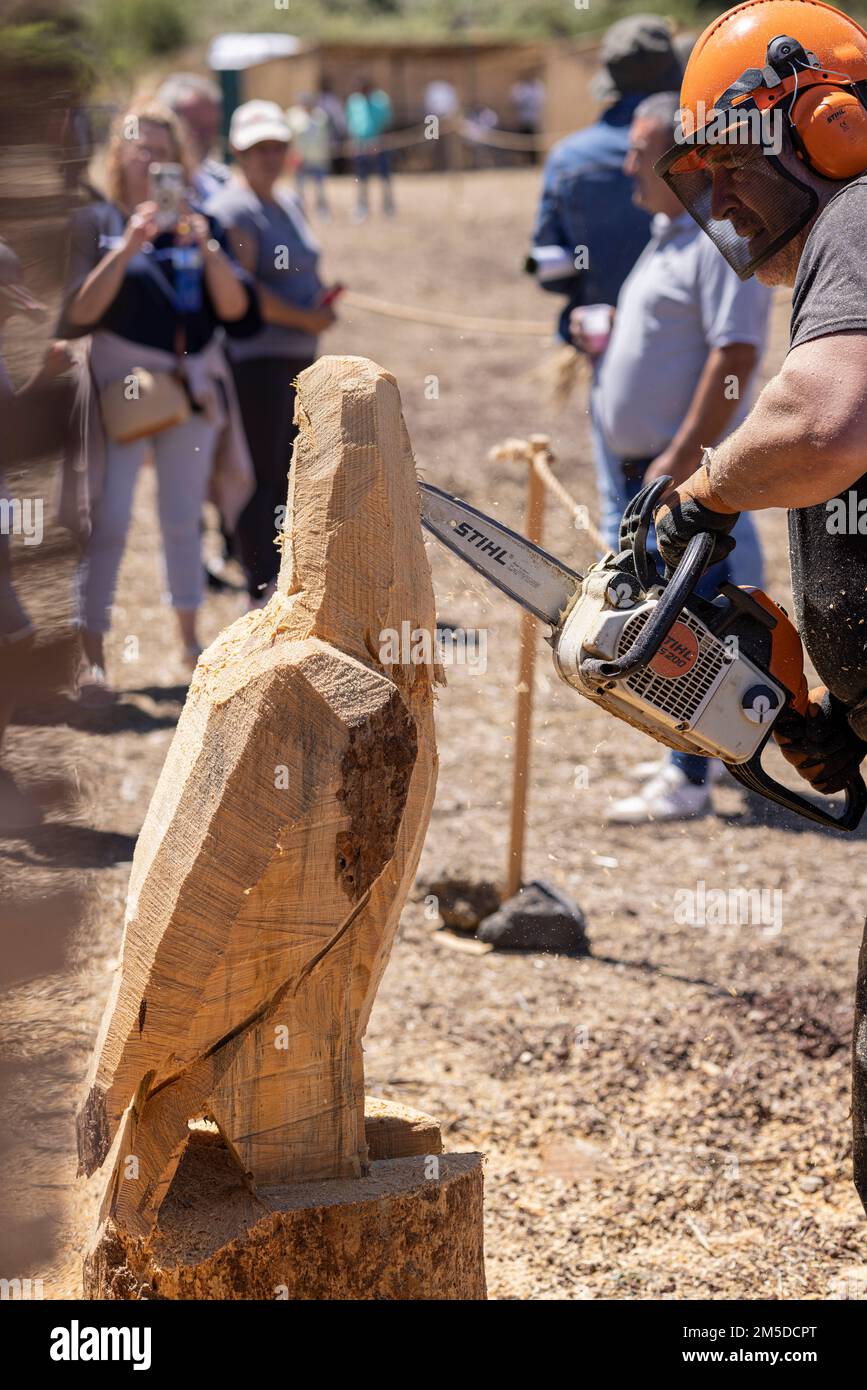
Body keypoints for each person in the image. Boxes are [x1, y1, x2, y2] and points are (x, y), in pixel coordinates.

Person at [644, 0, 867, 1211]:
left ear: (825, 124)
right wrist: (837, 710)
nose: (724, 202)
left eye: (735, 167)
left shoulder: (865, 215)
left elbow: (830, 421)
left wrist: (701, 497)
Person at [577, 91, 771, 824]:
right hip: (649, 465)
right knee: (662, 614)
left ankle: (689, 775)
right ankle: (681, 751)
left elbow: (735, 355)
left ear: (678, 163)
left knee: (684, 621)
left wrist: (681, 460)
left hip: (678, 470)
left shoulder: (718, 242)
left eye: (638, 150)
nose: (626, 162)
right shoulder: (670, 234)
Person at [58, 102, 259, 706]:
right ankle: (91, 658)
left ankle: (191, 645)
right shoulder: (96, 221)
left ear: (181, 161)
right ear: (118, 156)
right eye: (137, 148)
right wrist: (127, 247)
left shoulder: (202, 223)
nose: (149, 160)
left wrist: (208, 247)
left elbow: (236, 314)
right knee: (109, 518)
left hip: (190, 390)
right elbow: (77, 313)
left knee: (182, 518)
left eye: (161, 150)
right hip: (122, 389)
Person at [530, 15, 684, 547]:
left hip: (604, 347)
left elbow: (546, 264)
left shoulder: (569, 158)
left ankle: (637, 620)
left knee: (622, 507)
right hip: (691, 353)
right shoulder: (702, 151)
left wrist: (578, 281)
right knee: (704, 501)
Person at [206, 100, 338, 607]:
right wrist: (307, 318)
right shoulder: (234, 210)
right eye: (259, 148)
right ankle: (260, 583)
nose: (270, 155)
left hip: (293, 358)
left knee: (291, 470)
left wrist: (320, 301)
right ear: (238, 151)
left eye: (277, 146)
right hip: (255, 363)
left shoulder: (286, 200)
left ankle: (283, 579)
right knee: (263, 473)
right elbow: (244, 295)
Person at [157, 73, 231, 203]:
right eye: (196, 124)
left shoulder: (223, 182)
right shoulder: (140, 181)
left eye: (213, 126)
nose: (207, 135)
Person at [345, 79, 394, 222]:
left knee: (384, 176)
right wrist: (352, 142)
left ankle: (388, 206)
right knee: (361, 177)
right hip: (360, 144)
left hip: (378, 143)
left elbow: (387, 122)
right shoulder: (353, 102)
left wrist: (378, 143)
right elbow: (350, 122)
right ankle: (362, 206)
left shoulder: (381, 100)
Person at [287, 95, 332, 218]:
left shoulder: (321, 117)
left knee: (320, 187)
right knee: (300, 187)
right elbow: (290, 137)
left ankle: (322, 211)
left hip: (318, 158)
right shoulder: (294, 117)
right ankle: (300, 212)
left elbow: (325, 137)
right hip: (300, 159)